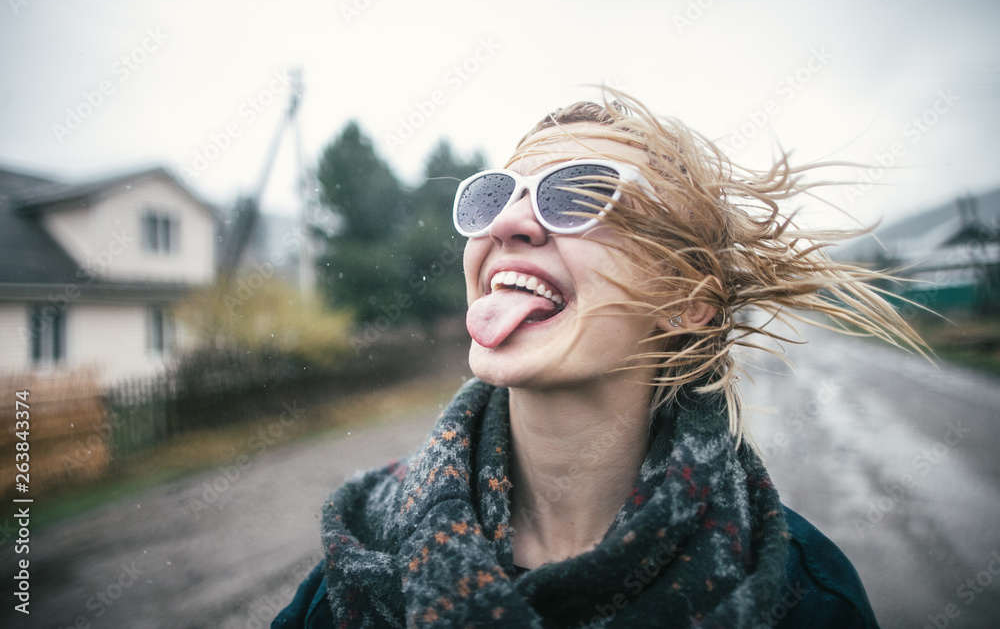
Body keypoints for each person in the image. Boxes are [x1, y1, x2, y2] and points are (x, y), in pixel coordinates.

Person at [273, 90, 923, 628]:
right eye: (492, 196)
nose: (508, 223)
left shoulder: (804, 595)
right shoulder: (354, 567)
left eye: (579, 194)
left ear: (686, 298)